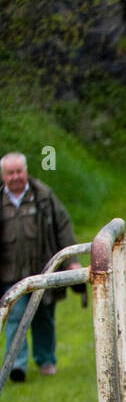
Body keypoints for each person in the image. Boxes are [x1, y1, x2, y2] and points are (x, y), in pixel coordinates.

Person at [1, 152, 79, 381]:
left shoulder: (43, 195)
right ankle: (16, 365)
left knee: (44, 315)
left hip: (42, 269)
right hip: (10, 273)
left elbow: (63, 225)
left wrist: (72, 261)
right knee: (15, 316)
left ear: (26, 171)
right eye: (10, 173)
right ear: (3, 175)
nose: (15, 177)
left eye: (19, 171)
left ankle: (46, 360)